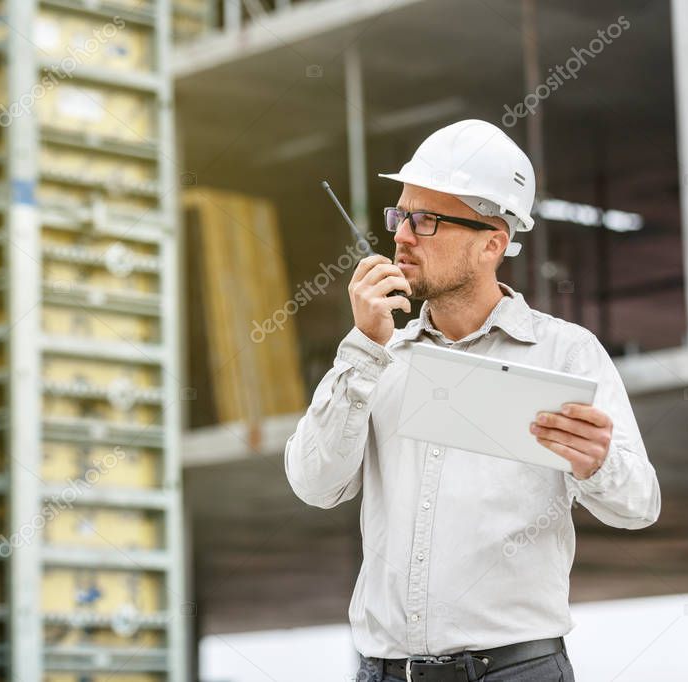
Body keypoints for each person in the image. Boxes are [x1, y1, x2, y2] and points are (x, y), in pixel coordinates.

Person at [283, 119, 661, 682]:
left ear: (492, 244)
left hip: (516, 671)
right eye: (400, 214)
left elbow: (639, 506)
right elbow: (314, 485)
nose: (402, 236)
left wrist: (596, 463)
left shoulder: (565, 353)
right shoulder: (375, 354)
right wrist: (363, 348)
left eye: (426, 220)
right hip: (385, 671)